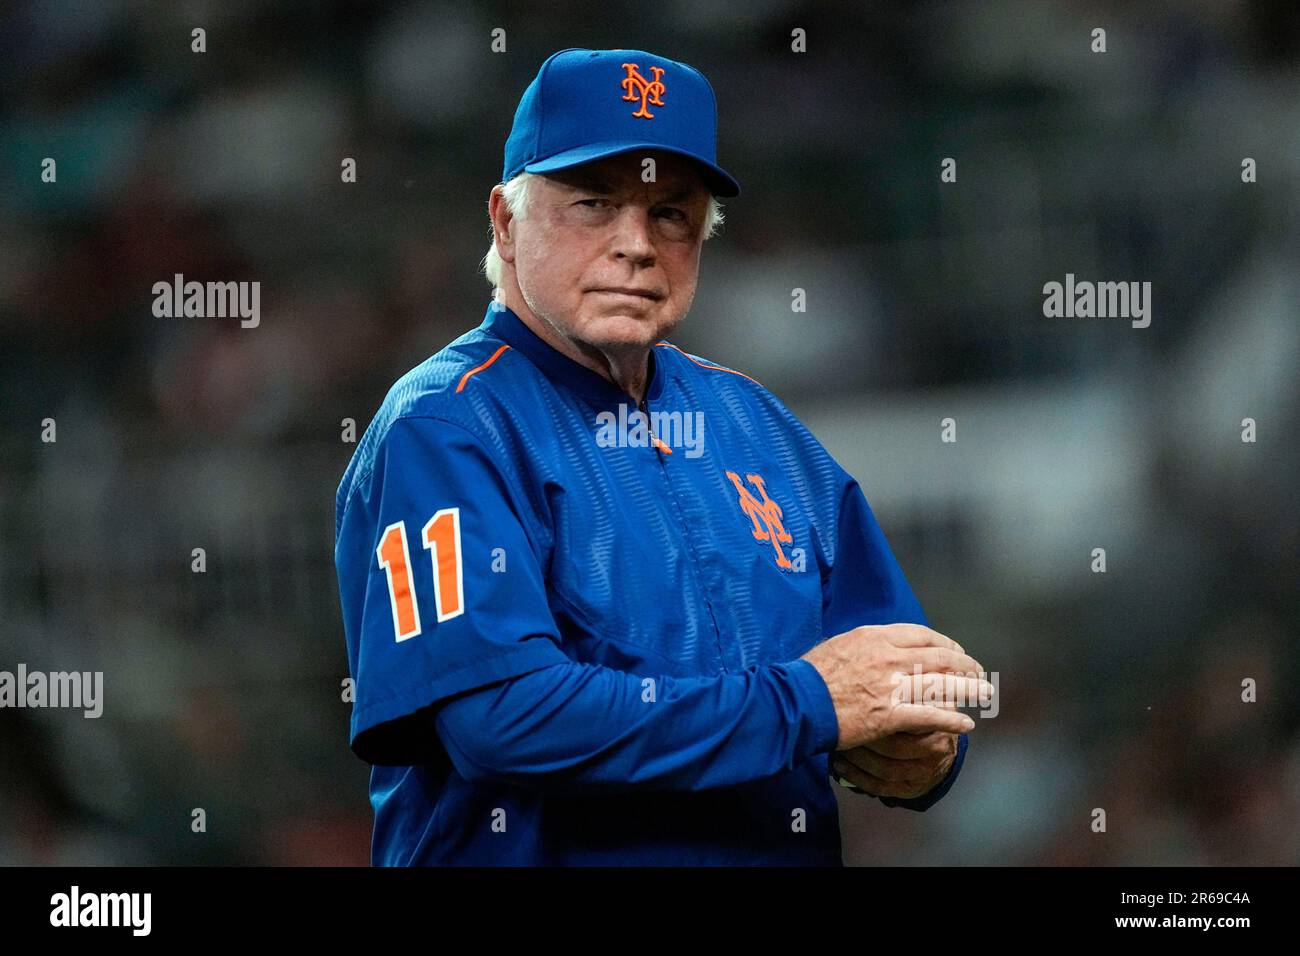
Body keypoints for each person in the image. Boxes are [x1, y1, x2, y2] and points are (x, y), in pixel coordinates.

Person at [334, 47, 988, 865]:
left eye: (672, 213)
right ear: (505, 221)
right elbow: (503, 717)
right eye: (594, 204)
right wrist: (808, 707)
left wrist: (922, 749)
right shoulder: (447, 424)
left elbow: (894, 664)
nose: (636, 245)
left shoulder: (757, 425)